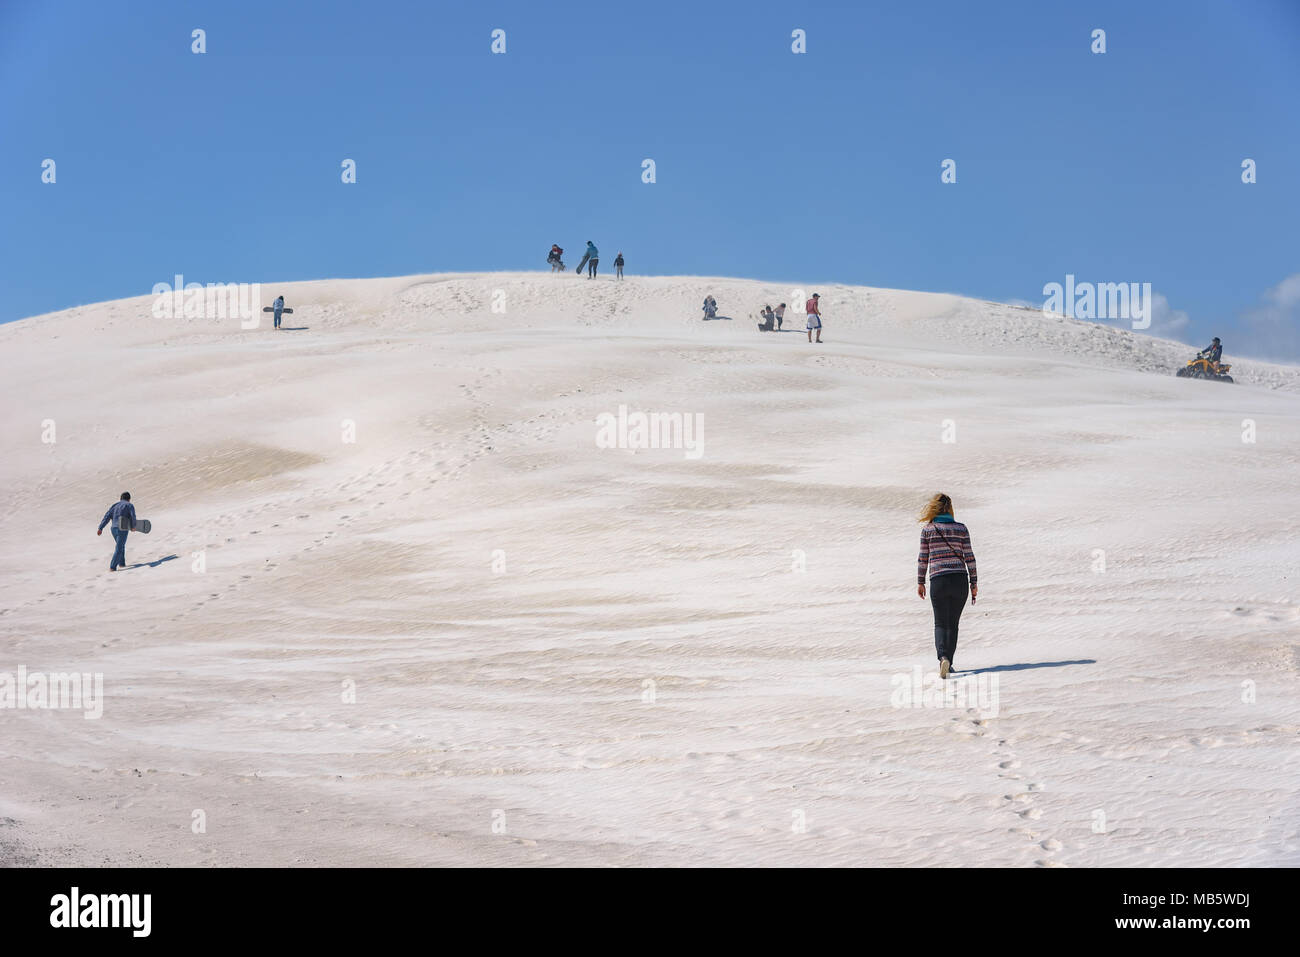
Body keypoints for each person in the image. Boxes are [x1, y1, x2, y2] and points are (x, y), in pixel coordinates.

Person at [916, 493, 978, 678]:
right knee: (953, 624)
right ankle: (948, 662)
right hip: (959, 580)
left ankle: (943, 657)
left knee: (941, 622)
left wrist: (920, 581)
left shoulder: (928, 530)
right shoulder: (961, 529)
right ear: (950, 508)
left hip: (939, 581)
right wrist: (973, 583)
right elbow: (970, 557)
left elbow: (922, 559)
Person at [97, 492, 138, 572]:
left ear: (120, 498)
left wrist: (100, 528)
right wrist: (133, 526)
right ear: (129, 499)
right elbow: (133, 516)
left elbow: (107, 516)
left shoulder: (114, 505)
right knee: (119, 547)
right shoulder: (129, 505)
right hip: (122, 528)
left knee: (121, 545)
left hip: (113, 529)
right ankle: (112, 567)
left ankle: (122, 564)